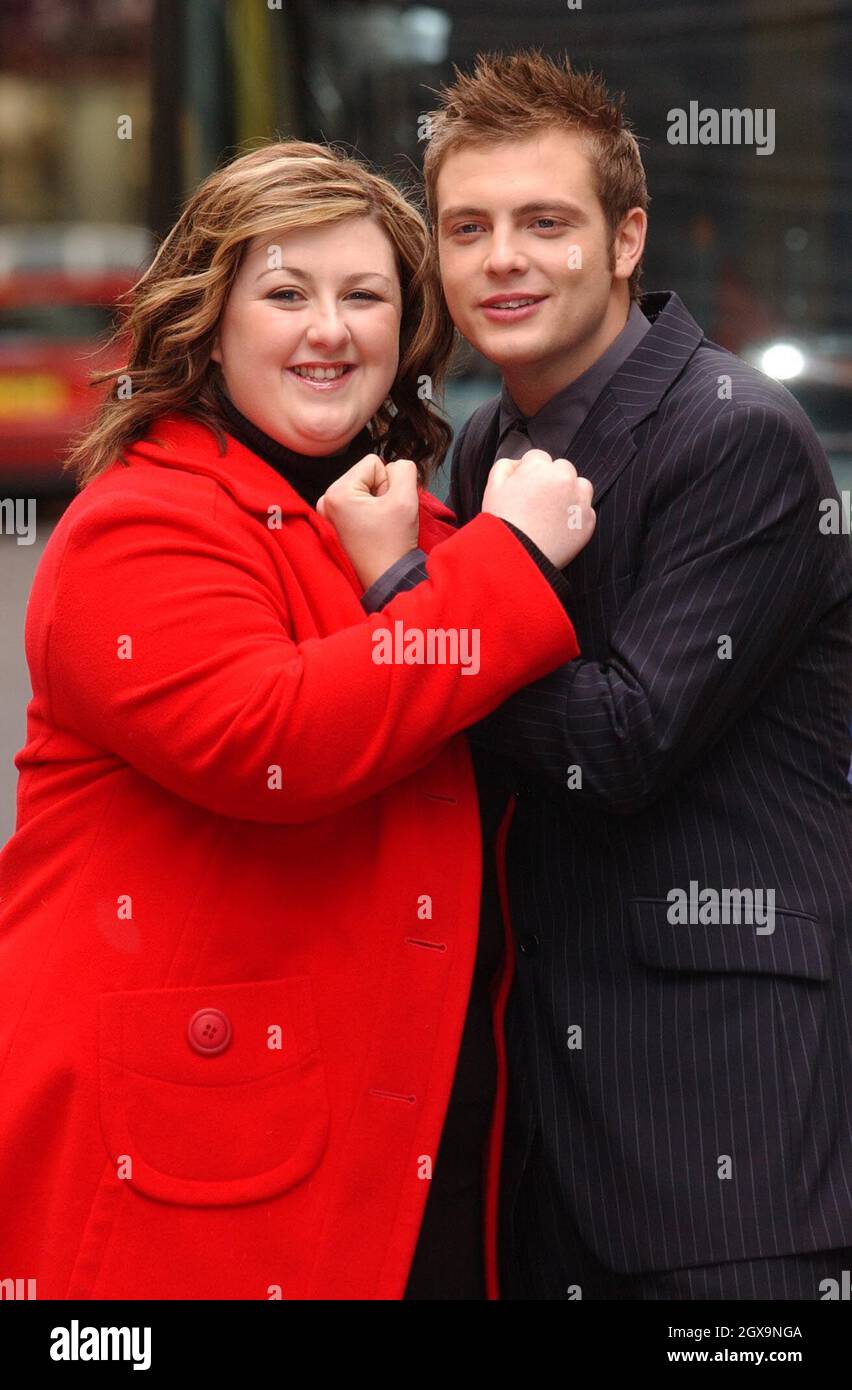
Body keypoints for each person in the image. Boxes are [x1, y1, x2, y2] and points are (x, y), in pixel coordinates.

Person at [0, 138, 597, 1300]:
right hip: (194, 1163)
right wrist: (510, 562)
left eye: (364, 295)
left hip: (396, 1142)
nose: (330, 329)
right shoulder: (140, 525)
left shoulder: (395, 522)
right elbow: (272, 741)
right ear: (207, 324)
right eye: (285, 292)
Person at [322, 51, 852, 1299]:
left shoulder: (737, 436)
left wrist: (410, 592)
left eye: (544, 222)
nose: (502, 258)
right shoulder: (494, 435)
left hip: (728, 1131)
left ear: (625, 241)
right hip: (546, 1123)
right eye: (469, 228)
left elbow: (617, 746)